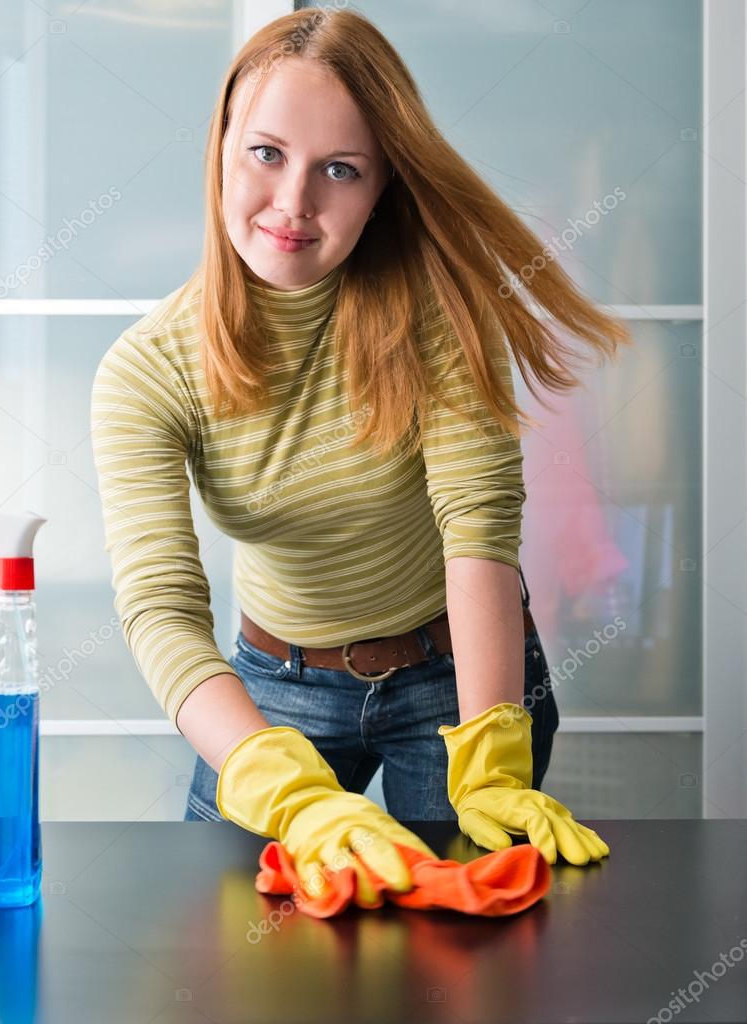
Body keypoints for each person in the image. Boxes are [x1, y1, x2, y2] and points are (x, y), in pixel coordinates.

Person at [91, 8, 630, 903]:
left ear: (382, 187)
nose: (294, 202)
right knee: (233, 960)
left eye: (340, 170)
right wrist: (287, 789)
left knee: (469, 952)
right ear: (221, 144)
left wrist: (490, 753)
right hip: (274, 691)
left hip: (460, 680)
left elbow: (478, 528)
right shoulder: (147, 372)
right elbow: (159, 607)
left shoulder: (438, 316)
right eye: (266, 153)